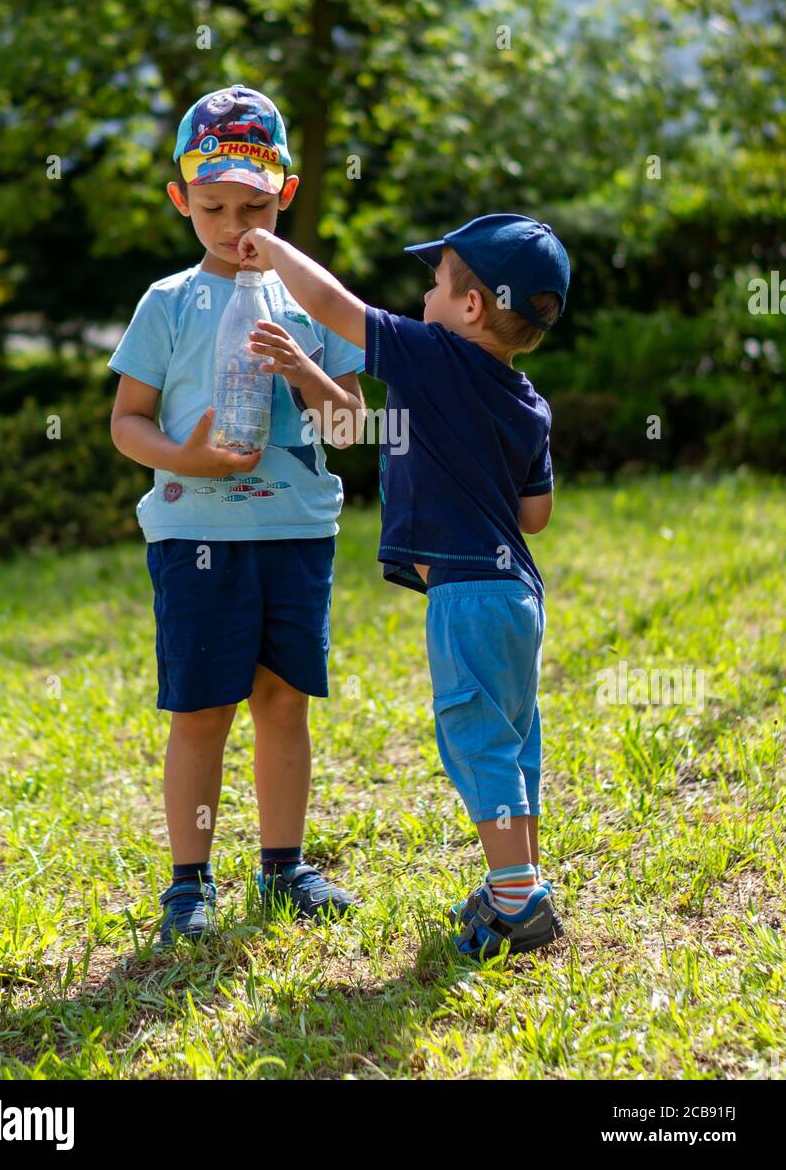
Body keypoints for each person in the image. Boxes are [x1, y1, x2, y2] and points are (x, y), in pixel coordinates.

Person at [238, 213, 570, 957]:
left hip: (466, 592)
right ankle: (519, 879)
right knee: (513, 741)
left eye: (433, 283)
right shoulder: (527, 402)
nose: (422, 299)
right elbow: (535, 513)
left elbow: (330, 305)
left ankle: (516, 901)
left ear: (471, 308)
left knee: (475, 736)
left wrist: (275, 246)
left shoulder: (430, 356)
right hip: (519, 591)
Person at [108, 85, 366, 945]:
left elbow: (347, 425)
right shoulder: (169, 301)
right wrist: (187, 458)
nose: (232, 223)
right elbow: (127, 422)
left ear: (285, 194)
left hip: (295, 532)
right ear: (181, 198)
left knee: (282, 700)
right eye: (211, 205)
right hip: (194, 535)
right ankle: (189, 883)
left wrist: (301, 365)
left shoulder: (316, 302)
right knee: (201, 708)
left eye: (253, 204)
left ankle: (283, 866)